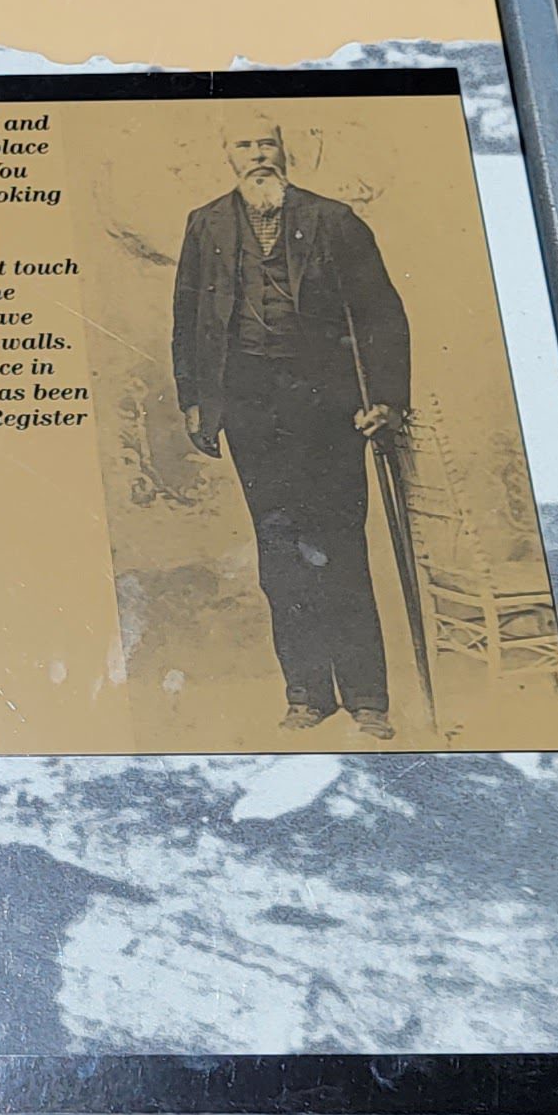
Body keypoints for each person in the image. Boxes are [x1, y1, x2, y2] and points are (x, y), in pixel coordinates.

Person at [170, 123, 413, 739]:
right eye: (244, 147)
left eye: (266, 145)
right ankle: (306, 694)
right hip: (251, 409)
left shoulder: (334, 220)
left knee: (339, 545)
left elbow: (382, 311)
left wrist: (385, 398)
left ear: (285, 153)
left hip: (327, 408)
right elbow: (188, 317)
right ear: (227, 155)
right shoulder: (206, 225)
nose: (257, 157)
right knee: (279, 554)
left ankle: (367, 700)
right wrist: (196, 403)